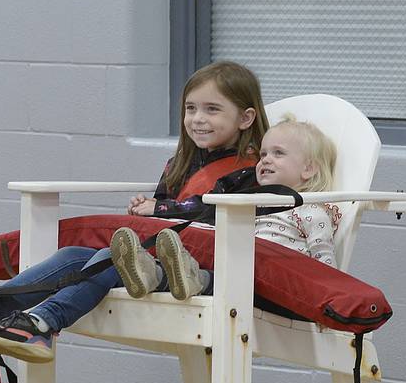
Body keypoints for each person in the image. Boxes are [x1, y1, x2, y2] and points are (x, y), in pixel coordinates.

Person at [0, 61, 267, 363]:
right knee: (73, 254)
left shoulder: (253, 170)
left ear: (245, 117)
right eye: (191, 109)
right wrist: (147, 212)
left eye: (212, 109)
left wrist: (159, 208)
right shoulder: (180, 164)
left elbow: (209, 212)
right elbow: (166, 208)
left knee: (109, 255)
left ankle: (41, 324)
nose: (198, 119)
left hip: (199, 272)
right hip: (152, 260)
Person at [110, 116, 340, 302]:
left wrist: (326, 299)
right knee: (202, 277)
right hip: (239, 274)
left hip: (277, 285)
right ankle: (153, 273)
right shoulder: (256, 205)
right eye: (263, 154)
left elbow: (324, 261)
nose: (265, 160)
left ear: (308, 169)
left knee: (214, 279)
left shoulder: (312, 212)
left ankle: (165, 272)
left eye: (278, 153)